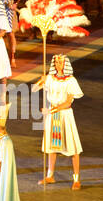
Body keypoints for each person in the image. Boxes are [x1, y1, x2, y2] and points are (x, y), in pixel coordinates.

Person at [35, 54, 83, 188]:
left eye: (60, 63)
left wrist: (50, 111)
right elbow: (34, 88)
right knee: (51, 146)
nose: (58, 65)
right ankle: (50, 176)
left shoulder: (71, 80)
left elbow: (67, 103)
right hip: (53, 115)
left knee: (72, 147)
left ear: (65, 64)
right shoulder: (50, 78)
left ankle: (76, 178)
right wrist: (41, 80)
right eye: (56, 62)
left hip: (64, 115)